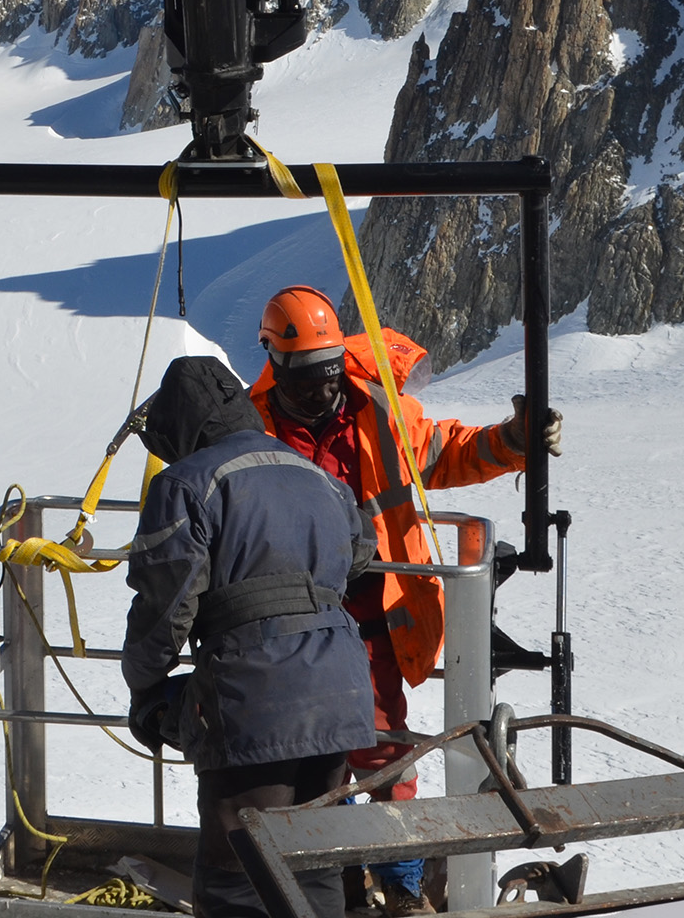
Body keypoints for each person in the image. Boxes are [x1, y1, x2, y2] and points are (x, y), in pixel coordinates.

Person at [249, 285, 564, 917]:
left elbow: (447, 451)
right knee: (306, 758)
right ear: (273, 365)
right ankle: (330, 884)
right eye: (307, 377)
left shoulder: (376, 416)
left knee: (385, 752)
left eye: (331, 372)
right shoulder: (252, 432)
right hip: (284, 628)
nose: (322, 389)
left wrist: (514, 438)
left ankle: (400, 884)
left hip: (369, 626)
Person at [122, 354, 377, 918]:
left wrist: (145, 686)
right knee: (314, 863)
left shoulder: (185, 483)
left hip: (255, 696)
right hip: (339, 690)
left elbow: (167, 604)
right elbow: (362, 550)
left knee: (238, 872)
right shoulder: (321, 477)